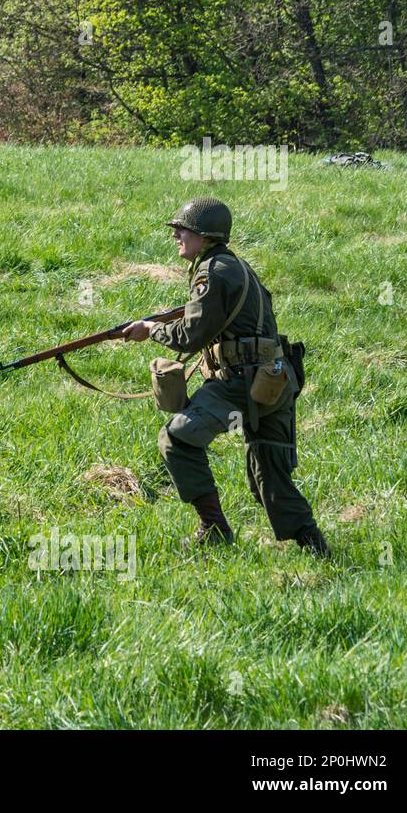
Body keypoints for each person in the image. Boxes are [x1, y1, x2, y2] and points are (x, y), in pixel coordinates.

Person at [121, 198, 329, 555]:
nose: (177, 236)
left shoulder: (211, 272)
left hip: (241, 382)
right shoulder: (232, 266)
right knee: (269, 474)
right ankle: (316, 547)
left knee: (178, 438)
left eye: (182, 230)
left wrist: (151, 330)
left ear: (204, 235)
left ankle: (213, 527)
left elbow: (191, 336)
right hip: (275, 379)